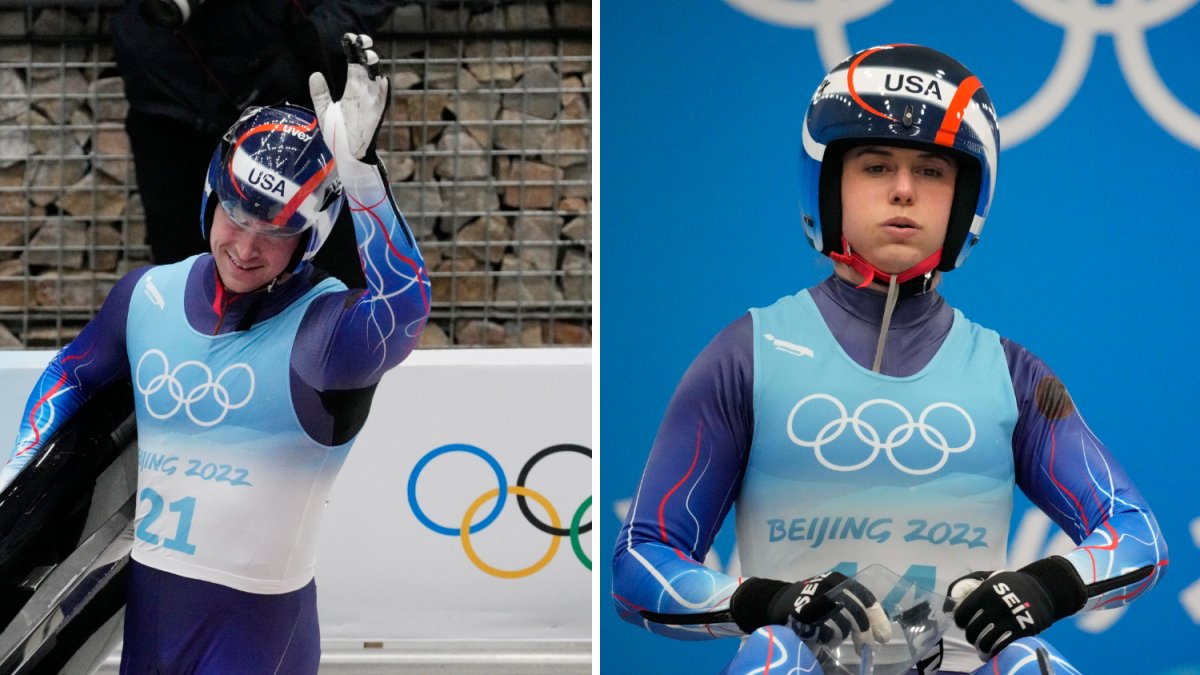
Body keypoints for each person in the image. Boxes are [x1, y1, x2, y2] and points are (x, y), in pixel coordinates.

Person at [610, 44, 1167, 674]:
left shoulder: (1015, 376)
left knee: (1031, 662)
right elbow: (642, 559)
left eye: (931, 171)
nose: (903, 190)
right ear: (828, 185)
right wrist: (771, 601)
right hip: (799, 665)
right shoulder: (747, 354)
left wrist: (1045, 585)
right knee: (777, 654)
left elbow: (1137, 534)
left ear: (964, 200)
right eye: (876, 166)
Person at [0, 34, 429, 673]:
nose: (245, 247)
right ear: (210, 197)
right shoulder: (147, 297)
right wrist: (25, 471)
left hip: (255, 634)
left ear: (310, 240)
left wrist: (362, 176)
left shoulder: (329, 335)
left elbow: (407, 307)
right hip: (148, 617)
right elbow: (71, 372)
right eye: (235, 215)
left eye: (276, 233)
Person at [111, 0, 396, 283]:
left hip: (295, 99)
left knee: (329, 284)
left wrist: (312, 38)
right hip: (172, 102)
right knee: (184, 286)